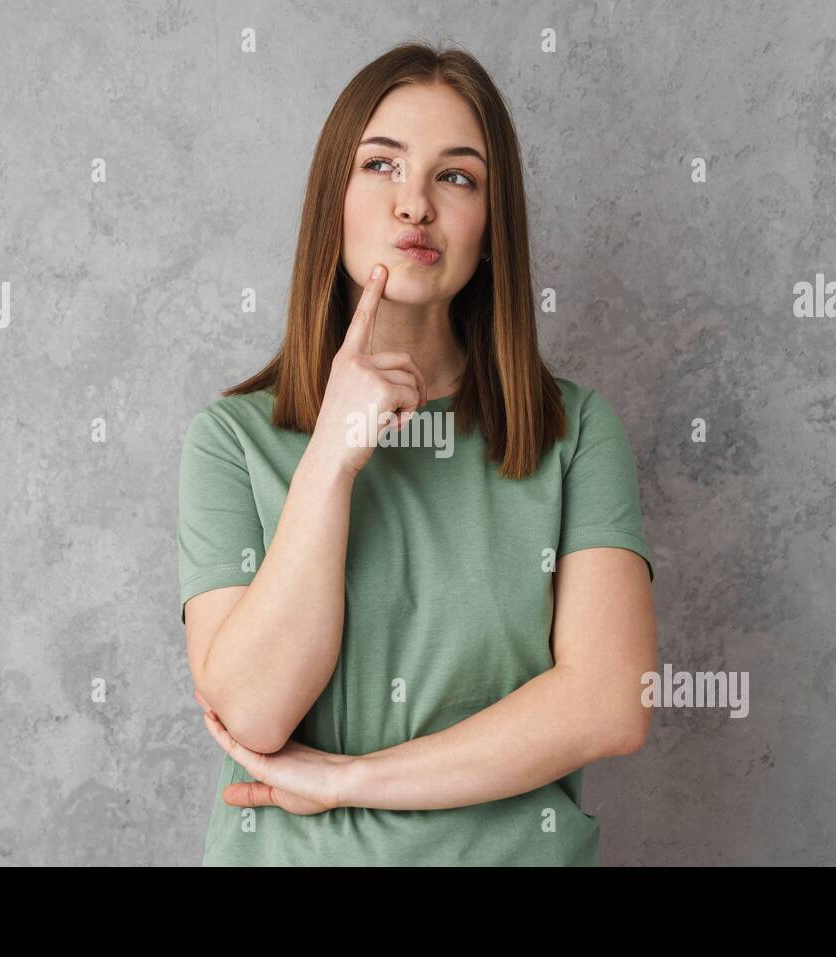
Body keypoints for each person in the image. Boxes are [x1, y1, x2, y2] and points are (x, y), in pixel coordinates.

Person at [177, 42, 657, 866]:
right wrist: (331, 454)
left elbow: (609, 703)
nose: (415, 206)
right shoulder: (231, 440)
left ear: (490, 231)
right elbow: (254, 713)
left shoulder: (573, 430)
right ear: (332, 199)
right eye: (381, 166)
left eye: (457, 176)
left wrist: (347, 779)